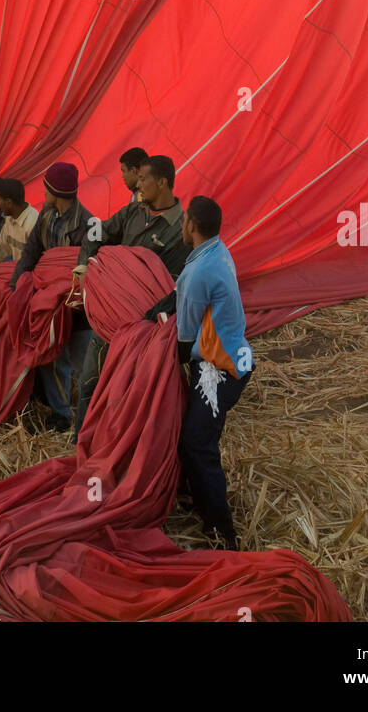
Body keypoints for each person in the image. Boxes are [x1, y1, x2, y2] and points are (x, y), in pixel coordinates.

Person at [143, 195, 253, 550]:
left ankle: (223, 534)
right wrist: (152, 311)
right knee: (198, 435)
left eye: (184, 220)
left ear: (190, 225)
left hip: (217, 371)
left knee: (197, 443)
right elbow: (178, 294)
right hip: (237, 355)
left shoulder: (198, 271)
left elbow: (184, 335)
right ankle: (197, 496)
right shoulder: (217, 251)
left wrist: (153, 361)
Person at [70, 154, 188, 436]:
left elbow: (180, 285)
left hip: (143, 331)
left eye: (144, 179)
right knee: (89, 381)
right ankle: (80, 442)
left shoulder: (182, 229)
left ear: (162, 182)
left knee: (127, 392)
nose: (138, 184)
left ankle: (114, 448)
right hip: (110, 317)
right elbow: (96, 234)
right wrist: (85, 265)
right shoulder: (132, 213)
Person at [10, 161, 95, 433]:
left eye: (46, 187)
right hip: (51, 306)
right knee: (51, 358)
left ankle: (88, 419)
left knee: (83, 366)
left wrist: (65, 286)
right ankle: (60, 414)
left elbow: (90, 262)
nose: (43, 192)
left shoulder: (88, 223)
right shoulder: (46, 215)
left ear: (56, 191)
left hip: (79, 306)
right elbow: (32, 252)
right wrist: (18, 284)